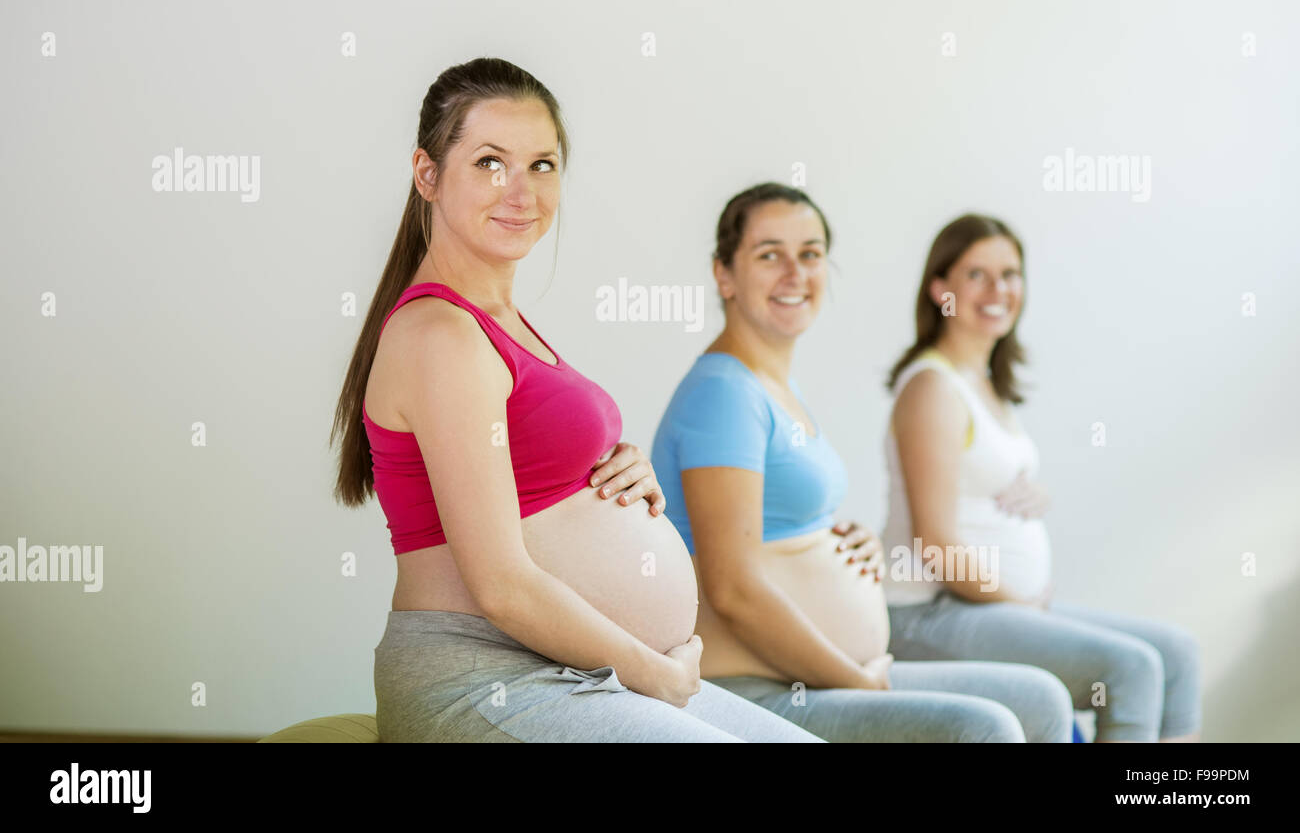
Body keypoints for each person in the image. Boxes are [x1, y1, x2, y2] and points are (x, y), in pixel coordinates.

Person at [330, 58, 820, 742]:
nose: (521, 190)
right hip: (481, 679)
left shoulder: (499, 322)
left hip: (568, 668)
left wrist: (621, 474)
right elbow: (500, 584)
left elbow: (537, 486)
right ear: (428, 174)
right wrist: (652, 671)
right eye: (490, 162)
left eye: (543, 164)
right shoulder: (439, 335)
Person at [650, 183, 1075, 742]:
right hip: (758, 685)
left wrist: (843, 543)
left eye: (810, 254)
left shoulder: (775, 385)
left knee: (1042, 700)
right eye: (769, 254)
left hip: (825, 670)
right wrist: (855, 679)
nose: (795, 273)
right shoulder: (724, 394)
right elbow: (733, 588)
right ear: (724, 274)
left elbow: (778, 531)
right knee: (985, 729)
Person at [881, 213, 1202, 742]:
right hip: (929, 613)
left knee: (1179, 655)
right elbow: (934, 543)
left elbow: (979, 482)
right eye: (976, 274)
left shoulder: (985, 384)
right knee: (1132, 669)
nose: (998, 289)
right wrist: (1020, 600)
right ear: (940, 289)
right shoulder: (932, 388)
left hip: (991, 604)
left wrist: (1033, 492)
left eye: (1009, 274)